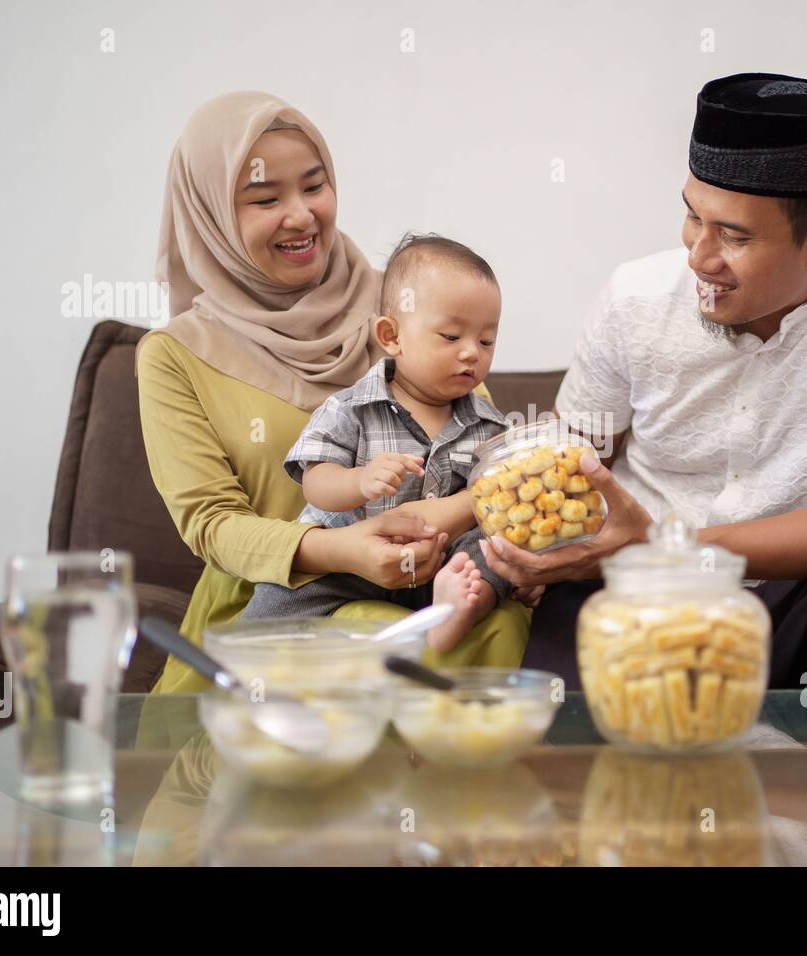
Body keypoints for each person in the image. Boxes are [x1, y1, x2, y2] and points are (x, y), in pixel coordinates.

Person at [477, 73, 807, 689]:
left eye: (734, 236)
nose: (698, 257)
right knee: (575, 636)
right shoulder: (634, 298)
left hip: (802, 598)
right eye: (692, 218)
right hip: (640, 597)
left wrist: (669, 544)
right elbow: (568, 465)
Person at [137, 92, 529, 694]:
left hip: (436, 600)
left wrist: (461, 528)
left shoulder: (410, 300)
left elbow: (492, 468)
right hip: (277, 613)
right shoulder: (174, 357)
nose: (300, 215)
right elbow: (212, 524)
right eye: (266, 199)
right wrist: (340, 549)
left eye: (314, 186)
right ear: (211, 212)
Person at [242, 233, 512, 652]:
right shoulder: (351, 408)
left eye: (486, 341)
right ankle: (249, 662)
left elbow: (491, 504)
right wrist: (359, 481)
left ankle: (452, 612)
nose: (470, 354)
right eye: (451, 336)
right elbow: (315, 482)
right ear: (391, 336)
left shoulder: (488, 428)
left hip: (438, 565)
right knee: (276, 598)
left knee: (497, 549)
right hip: (349, 563)